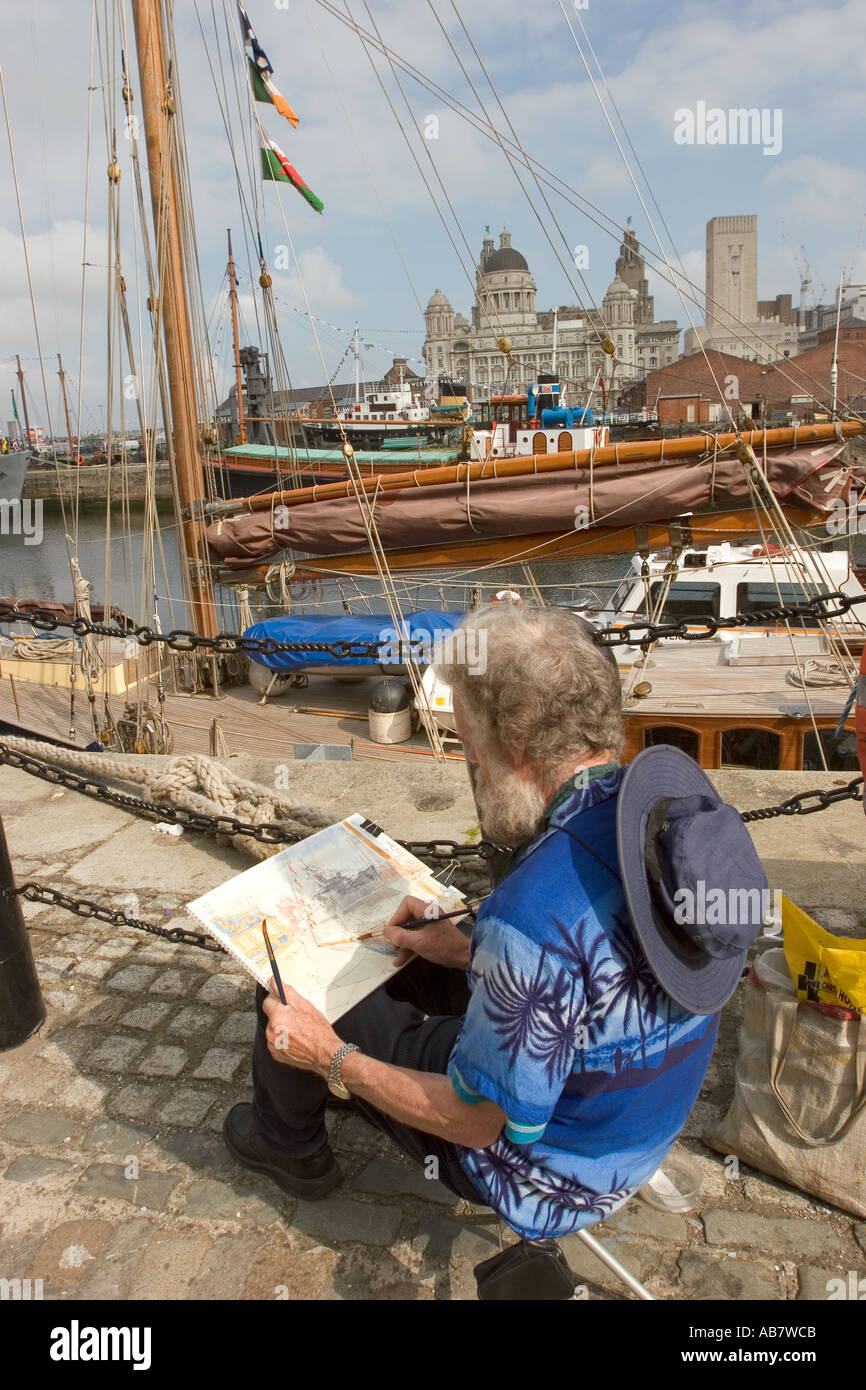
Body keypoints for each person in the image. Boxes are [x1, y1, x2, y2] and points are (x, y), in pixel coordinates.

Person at [223, 604, 725, 1239]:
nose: (472, 769)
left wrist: (329, 1057)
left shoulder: (532, 916)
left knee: (290, 980)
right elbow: (603, 965)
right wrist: (464, 951)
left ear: (513, 744)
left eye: (470, 749)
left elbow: (478, 1122)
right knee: (397, 960)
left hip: (547, 1172)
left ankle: (288, 1147)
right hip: (629, 1120)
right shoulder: (658, 815)